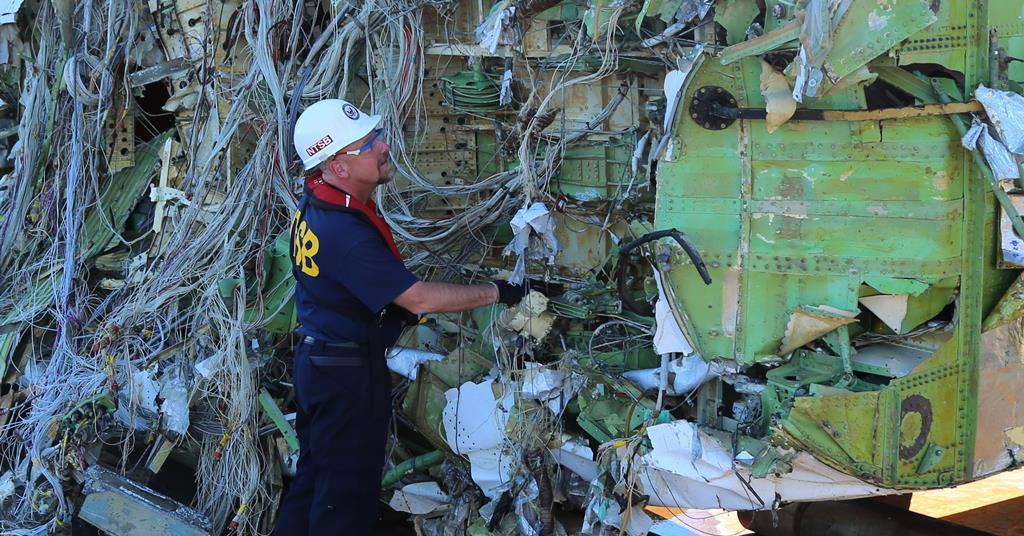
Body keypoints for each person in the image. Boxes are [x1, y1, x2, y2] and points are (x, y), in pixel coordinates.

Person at [275, 99, 526, 535]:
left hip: (319, 363)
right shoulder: (344, 231)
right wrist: (499, 292)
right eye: (369, 144)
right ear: (337, 165)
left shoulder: (320, 203)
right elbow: (419, 299)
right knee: (346, 499)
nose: (384, 146)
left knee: (316, 480)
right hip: (345, 374)